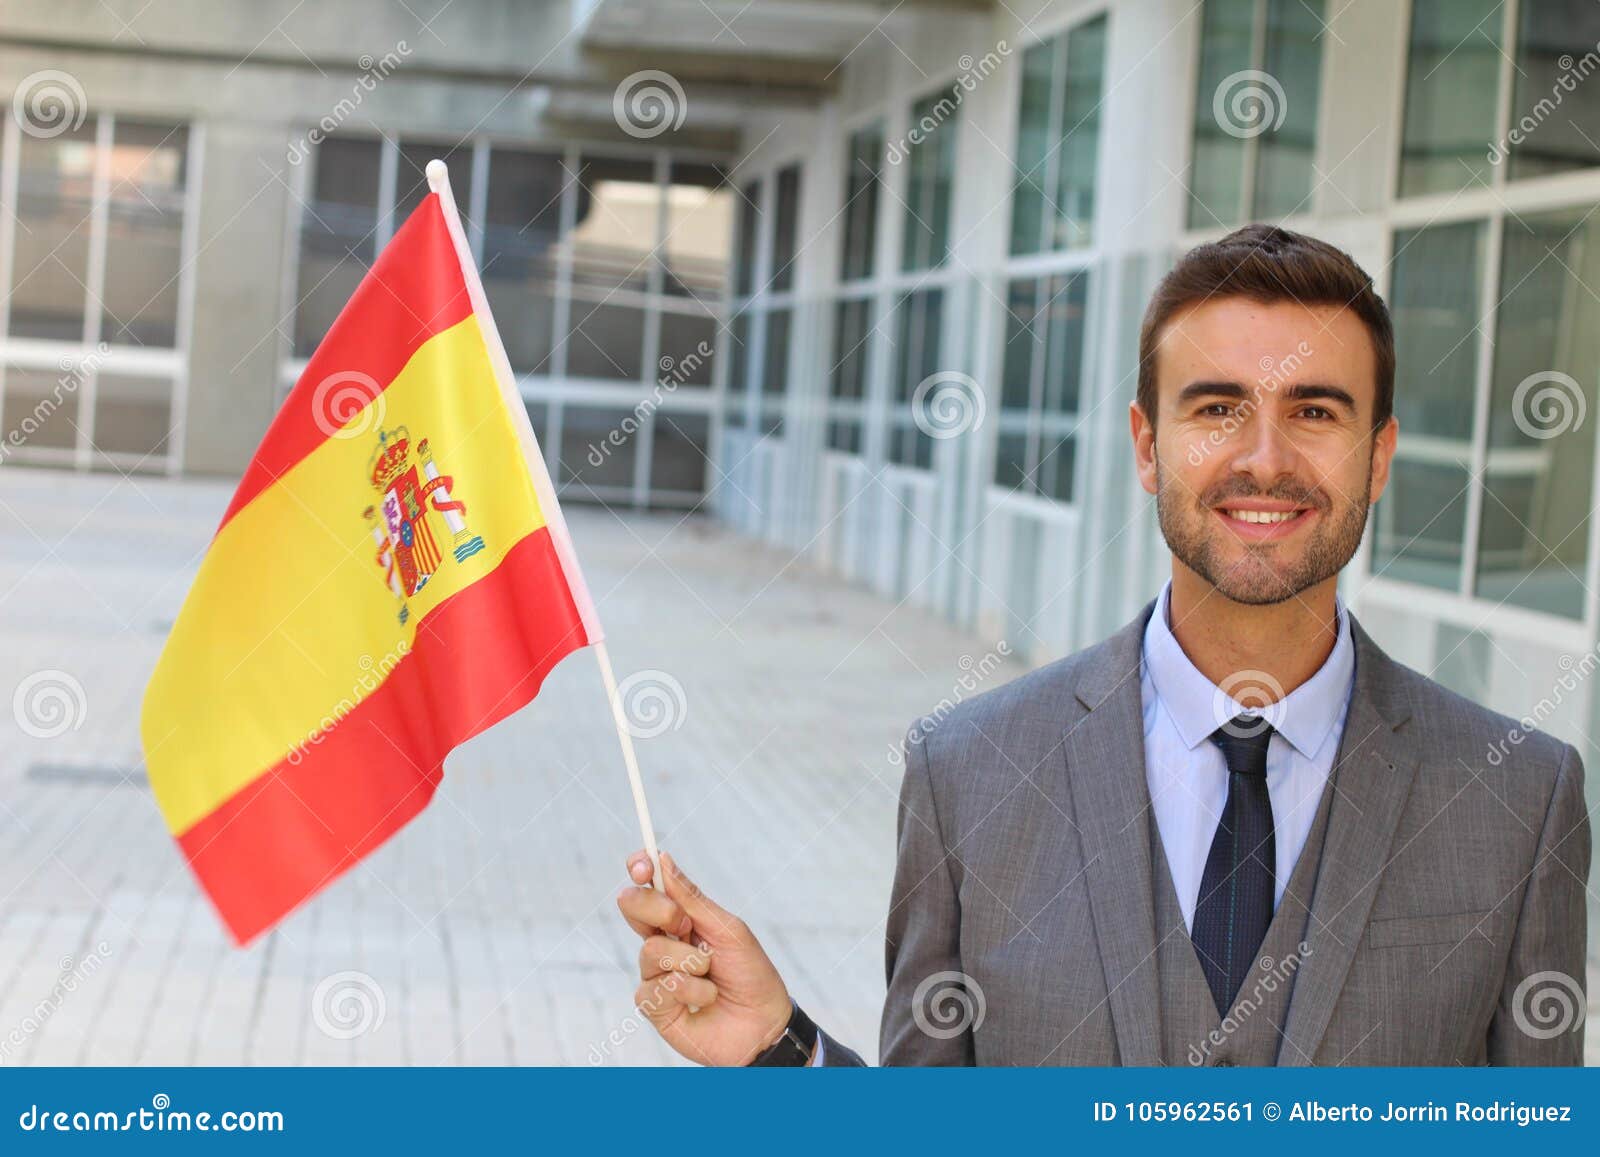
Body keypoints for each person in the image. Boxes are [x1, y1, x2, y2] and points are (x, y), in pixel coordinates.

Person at [616, 224, 1592, 1066]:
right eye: (1216, 408)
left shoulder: (1517, 798)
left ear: (1376, 455)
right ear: (1144, 444)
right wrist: (778, 1048)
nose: (1263, 457)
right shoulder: (970, 773)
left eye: (1313, 411)